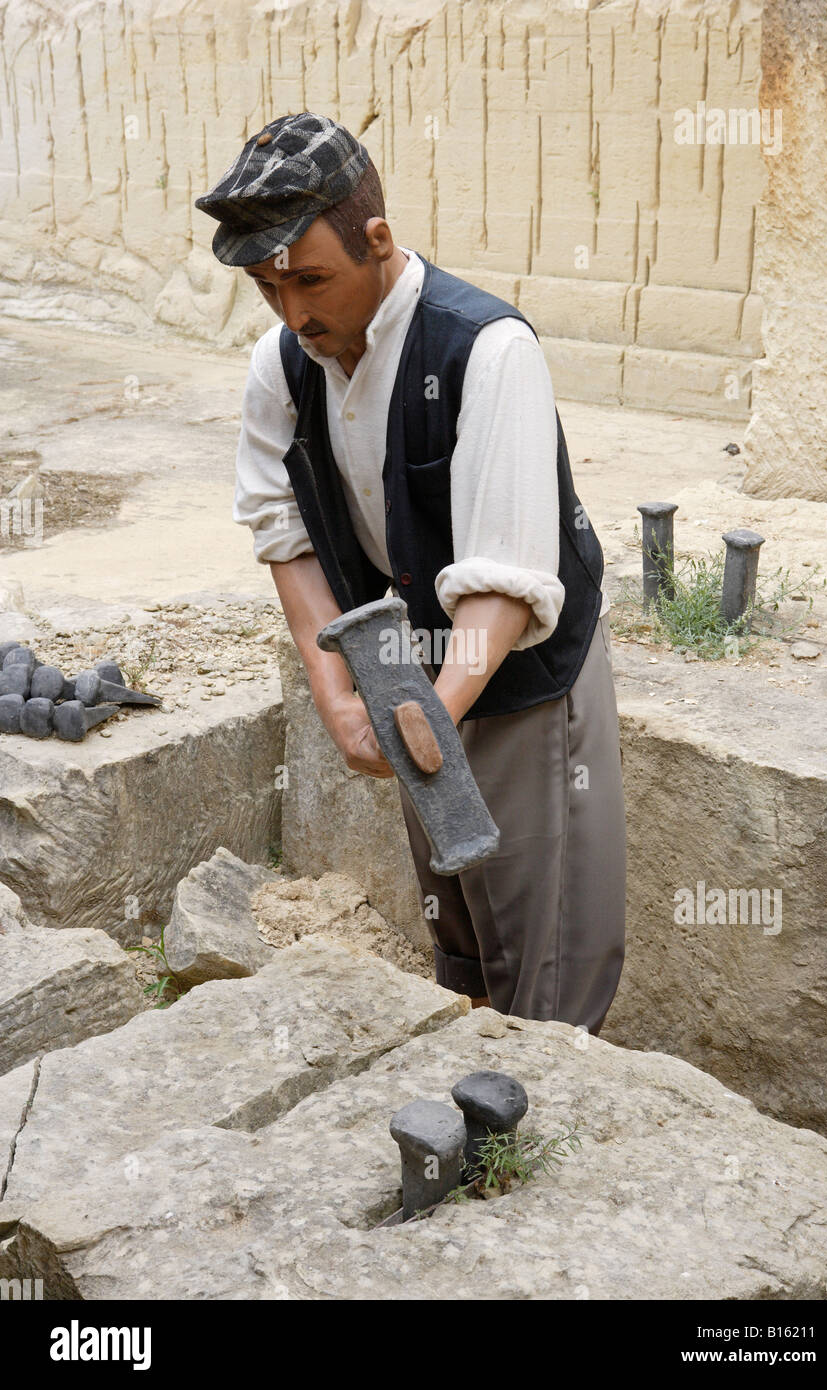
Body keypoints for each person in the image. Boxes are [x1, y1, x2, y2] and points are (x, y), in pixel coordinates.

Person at [195, 111, 626, 1032]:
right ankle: (462, 1092)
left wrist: (429, 715)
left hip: (519, 654)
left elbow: (506, 580)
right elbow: (287, 535)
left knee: (538, 938)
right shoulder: (283, 362)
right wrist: (339, 695)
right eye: (269, 288)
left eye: (310, 279)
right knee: (458, 908)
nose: (294, 311)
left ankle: (538, 1117)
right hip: (409, 658)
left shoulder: (487, 348)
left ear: (378, 242)